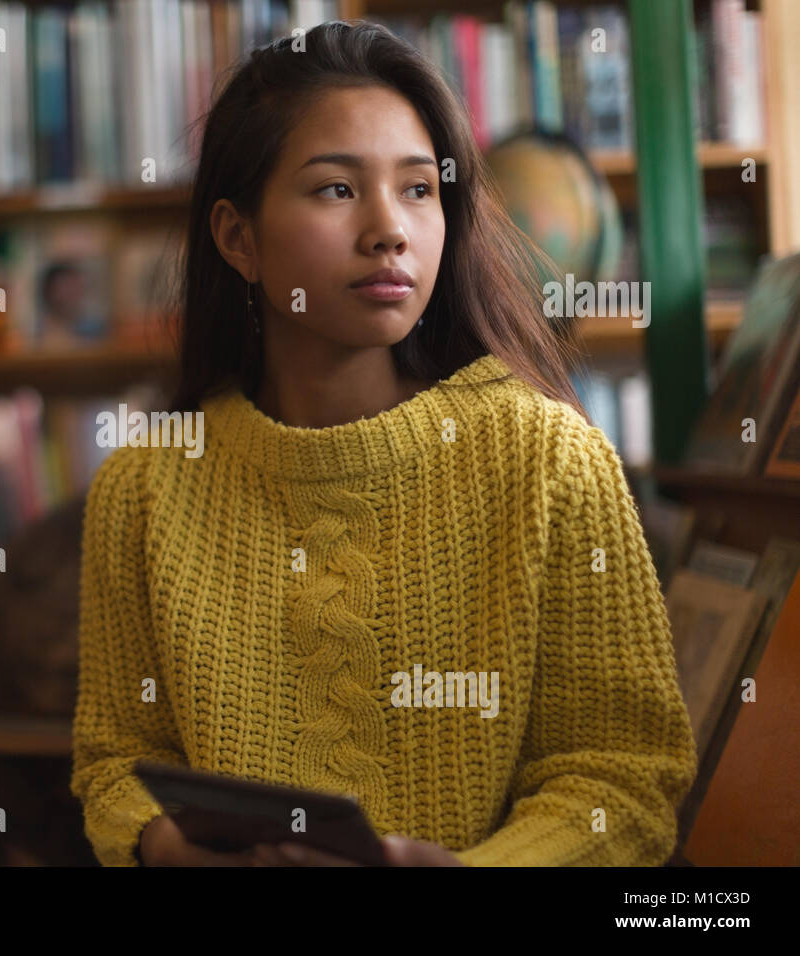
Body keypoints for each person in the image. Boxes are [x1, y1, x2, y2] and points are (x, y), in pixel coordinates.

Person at [69, 20, 697, 867]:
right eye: (336, 190)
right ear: (237, 239)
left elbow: (625, 782)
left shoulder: (551, 461)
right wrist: (172, 849)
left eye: (418, 189)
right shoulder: (145, 489)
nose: (389, 229)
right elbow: (115, 763)